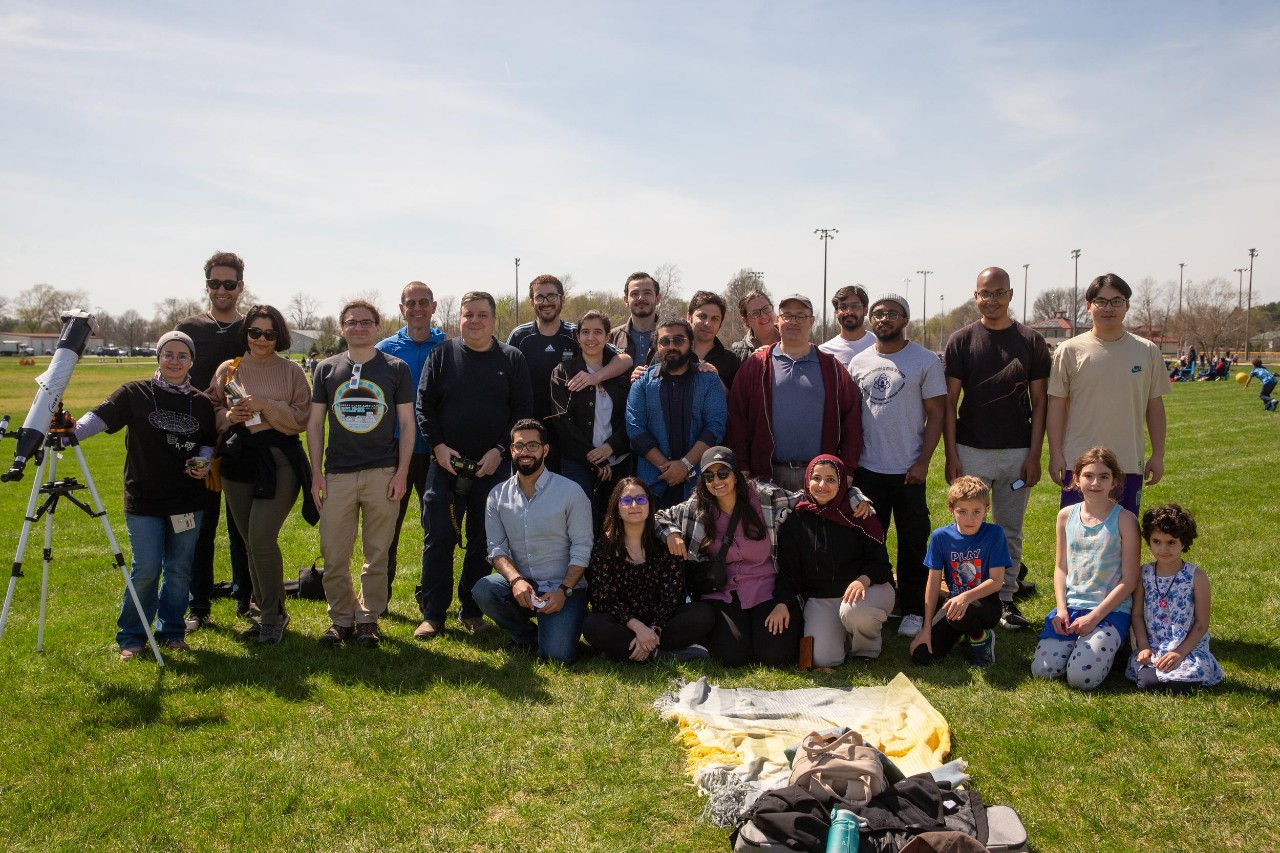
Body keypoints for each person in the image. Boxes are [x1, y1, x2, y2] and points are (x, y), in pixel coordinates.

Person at [72, 331, 217, 659]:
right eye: (168, 354)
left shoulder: (202, 402)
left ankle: (171, 630)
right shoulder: (134, 393)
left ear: (191, 360)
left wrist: (204, 462)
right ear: (158, 357)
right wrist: (72, 433)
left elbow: (208, 440)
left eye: (182, 355)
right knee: (147, 567)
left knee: (180, 569)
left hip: (187, 503)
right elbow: (100, 416)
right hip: (144, 500)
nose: (175, 361)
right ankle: (132, 636)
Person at [416, 291, 533, 640]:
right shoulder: (441, 356)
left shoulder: (512, 358)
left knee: (485, 541)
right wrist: (437, 446)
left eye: (483, 315)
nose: (475, 321)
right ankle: (434, 614)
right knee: (438, 537)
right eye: (469, 315)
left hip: (493, 465)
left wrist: (501, 450)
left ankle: (471, 610)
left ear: (494, 320)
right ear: (459, 319)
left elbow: (522, 410)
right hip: (445, 464)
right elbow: (424, 406)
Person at [942, 267, 1052, 631]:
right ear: (975, 296)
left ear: (1010, 295)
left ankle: (1004, 598)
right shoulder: (961, 340)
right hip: (971, 449)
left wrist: (1035, 456)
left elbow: (1040, 403)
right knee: (968, 526)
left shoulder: (1031, 341)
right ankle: (967, 594)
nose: (992, 300)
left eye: (999, 292)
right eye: (984, 293)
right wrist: (952, 454)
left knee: (1009, 528)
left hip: (1018, 453)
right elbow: (950, 403)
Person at [307, 300, 415, 648]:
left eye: (366, 322)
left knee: (377, 554)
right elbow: (314, 424)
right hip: (337, 473)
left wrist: (401, 473)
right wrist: (315, 474)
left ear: (377, 327)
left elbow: (406, 424)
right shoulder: (326, 369)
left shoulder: (395, 368)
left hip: (382, 472)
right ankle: (340, 619)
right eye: (352, 322)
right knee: (334, 553)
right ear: (342, 328)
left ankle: (368, 618)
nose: (359, 327)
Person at [208, 305, 314, 645]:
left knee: (261, 539)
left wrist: (266, 404)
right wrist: (229, 415)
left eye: (269, 333)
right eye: (255, 332)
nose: (262, 340)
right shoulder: (229, 370)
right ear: (246, 334)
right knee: (250, 544)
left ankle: (272, 617)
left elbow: (301, 418)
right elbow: (210, 411)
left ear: (278, 335)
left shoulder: (292, 372)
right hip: (239, 461)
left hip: (280, 461)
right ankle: (265, 610)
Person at [848, 293, 947, 639]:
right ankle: (877, 602)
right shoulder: (858, 362)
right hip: (867, 470)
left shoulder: (924, 360)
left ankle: (913, 609)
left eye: (893, 314)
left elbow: (937, 414)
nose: (884, 319)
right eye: (878, 314)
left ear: (905, 320)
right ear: (870, 320)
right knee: (869, 543)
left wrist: (923, 462)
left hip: (908, 471)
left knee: (912, 544)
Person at [655, 446, 802, 667]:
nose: (717, 481)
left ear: (735, 474)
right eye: (709, 476)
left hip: (766, 588)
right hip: (723, 591)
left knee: (774, 655)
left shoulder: (765, 498)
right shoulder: (696, 507)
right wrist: (672, 533)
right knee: (732, 656)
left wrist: (854, 496)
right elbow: (657, 517)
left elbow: (812, 499)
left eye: (723, 473)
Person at [472, 420, 592, 663]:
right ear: (512, 450)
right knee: (484, 590)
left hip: (564, 588)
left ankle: (560, 626)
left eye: (533, 445)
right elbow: (496, 548)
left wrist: (564, 591)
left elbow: (583, 548)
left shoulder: (571, 492)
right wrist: (516, 581)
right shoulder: (497, 495)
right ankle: (526, 635)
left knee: (556, 656)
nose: (525, 451)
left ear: (545, 450)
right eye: (519, 446)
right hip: (524, 585)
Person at [1047, 273, 1168, 515]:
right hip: (1079, 465)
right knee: (1077, 537)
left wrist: (1158, 454)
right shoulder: (1069, 350)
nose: (1108, 308)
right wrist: (1056, 454)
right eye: (1101, 301)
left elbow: (1154, 406)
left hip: (1127, 463)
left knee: (1124, 539)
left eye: (1116, 301)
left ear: (1127, 305)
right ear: (1088, 306)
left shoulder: (1147, 351)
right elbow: (1056, 406)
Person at [177, 250, 251, 630]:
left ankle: (246, 599)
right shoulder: (188, 328)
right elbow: (173, 376)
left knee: (242, 525)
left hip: (241, 438)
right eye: (215, 283)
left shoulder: (251, 328)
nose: (222, 290)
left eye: (229, 283)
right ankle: (198, 605)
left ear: (241, 286)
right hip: (198, 440)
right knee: (200, 525)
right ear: (206, 286)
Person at [727, 293, 862, 491]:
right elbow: (737, 418)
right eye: (787, 316)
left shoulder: (831, 368)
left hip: (819, 478)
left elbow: (851, 420)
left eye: (801, 316)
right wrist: (743, 465)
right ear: (777, 320)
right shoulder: (757, 365)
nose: (793, 322)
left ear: (812, 321)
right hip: (767, 476)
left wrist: (848, 468)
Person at [1031, 447, 1139, 690]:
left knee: (1081, 679)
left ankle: (1118, 644)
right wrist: (1061, 609)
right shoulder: (1065, 516)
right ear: (1077, 479)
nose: (1095, 483)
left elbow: (1130, 579)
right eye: (1088, 475)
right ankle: (1083, 644)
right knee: (1043, 672)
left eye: (1104, 476)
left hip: (1109, 611)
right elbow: (1060, 567)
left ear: (1115, 481)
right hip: (1071, 609)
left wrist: (1094, 617)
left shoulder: (1125, 520)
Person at [776, 455, 894, 667]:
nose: (822, 485)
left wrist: (863, 580)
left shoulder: (858, 514)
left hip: (866, 591)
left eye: (830, 479)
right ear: (807, 481)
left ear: (841, 483)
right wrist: (781, 601)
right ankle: (846, 635)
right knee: (822, 658)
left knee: (856, 612)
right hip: (822, 598)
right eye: (817, 478)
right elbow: (789, 571)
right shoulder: (797, 520)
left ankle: (866, 647)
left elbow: (882, 566)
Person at [581, 478, 714, 662]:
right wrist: (637, 627)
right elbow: (603, 600)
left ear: (649, 504)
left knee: (703, 613)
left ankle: (626, 652)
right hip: (624, 624)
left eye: (641, 499)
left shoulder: (665, 543)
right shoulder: (606, 547)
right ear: (617, 507)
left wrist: (653, 628)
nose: (634, 505)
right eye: (627, 500)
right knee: (592, 625)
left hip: (662, 624)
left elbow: (672, 596)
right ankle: (662, 654)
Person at [375, 282, 446, 602]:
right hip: (395, 451)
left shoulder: (448, 346)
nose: (417, 309)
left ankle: (429, 594)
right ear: (401, 309)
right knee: (386, 528)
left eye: (423, 302)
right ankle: (379, 595)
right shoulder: (385, 349)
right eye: (410, 303)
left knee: (437, 528)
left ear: (433, 306)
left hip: (436, 452)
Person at [625, 318, 727, 511]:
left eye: (679, 340)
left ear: (691, 344)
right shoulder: (642, 383)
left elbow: (715, 427)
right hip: (654, 483)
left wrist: (685, 465)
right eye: (665, 341)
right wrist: (668, 468)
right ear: (656, 346)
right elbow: (635, 429)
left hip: (699, 484)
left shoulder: (708, 381)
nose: (671, 346)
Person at [507, 275, 631, 430]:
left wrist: (595, 377)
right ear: (532, 302)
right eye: (539, 297)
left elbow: (625, 359)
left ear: (562, 299)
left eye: (552, 296)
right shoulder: (520, 335)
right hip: (530, 425)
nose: (546, 302)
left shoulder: (577, 334)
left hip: (570, 427)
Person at [910, 476, 1008, 668]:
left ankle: (982, 637)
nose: (969, 519)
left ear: (986, 510)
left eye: (976, 512)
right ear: (951, 509)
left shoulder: (995, 534)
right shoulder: (940, 537)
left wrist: (965, 598)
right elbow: (933, 582)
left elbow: (996, 582)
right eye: (962, 511)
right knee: (921, 655)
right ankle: (963, 635)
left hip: (985, 603)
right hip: (954, 605)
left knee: (961, 613)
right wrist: (926, 628)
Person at [549, 309, 632, 531]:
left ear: (607, 337)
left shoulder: (621, 372)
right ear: (577, 336)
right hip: (578, 462)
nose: (591, 338)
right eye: (585, 332)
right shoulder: (563, 372)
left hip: (618, 461)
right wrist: (593, 458)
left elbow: (632, 418)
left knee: (617, 525)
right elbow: (562, 422)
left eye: (597, 332)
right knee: (582, 526)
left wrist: (611, 448)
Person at [1125, 504, 1223, 692]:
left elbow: (1202, 623)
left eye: (1171, 542)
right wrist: (1144, 646)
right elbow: (1136, 615)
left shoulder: (1196, 576)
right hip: (1154, 646)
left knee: (1180, 685)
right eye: (1157, 541)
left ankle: (1187, 672)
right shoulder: (1143, 574)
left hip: (1187, 648)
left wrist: (1180, 653)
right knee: (1149, 684)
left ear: (1184, 543)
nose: (1163, 549)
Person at [686, 290, 741, 390]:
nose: (708, 323)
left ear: (720, 324)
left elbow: (736, 402)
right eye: (702, 316)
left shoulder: (732, 360)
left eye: (715, 319)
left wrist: (716, 379)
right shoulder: (671, 351)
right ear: (689, 317)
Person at [608, 272, 662, 366]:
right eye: (635, 294)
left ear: (657, 299)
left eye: (647, 293)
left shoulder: (670, 337)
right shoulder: (611, 338)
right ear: (626, 300)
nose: (641, 298)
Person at [819, 284, 875, 368]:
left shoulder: (878, 345)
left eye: (854, 306)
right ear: (836, 312)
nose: (849, 312)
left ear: (865, 310)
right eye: (843, 307)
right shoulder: (824, 352)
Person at [729, 290, 781, 361]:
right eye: (755, 313)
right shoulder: (737, 353)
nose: (763, 316)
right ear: (746, 320)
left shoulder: (794, 339)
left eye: (766, 308)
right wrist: (752, 363)